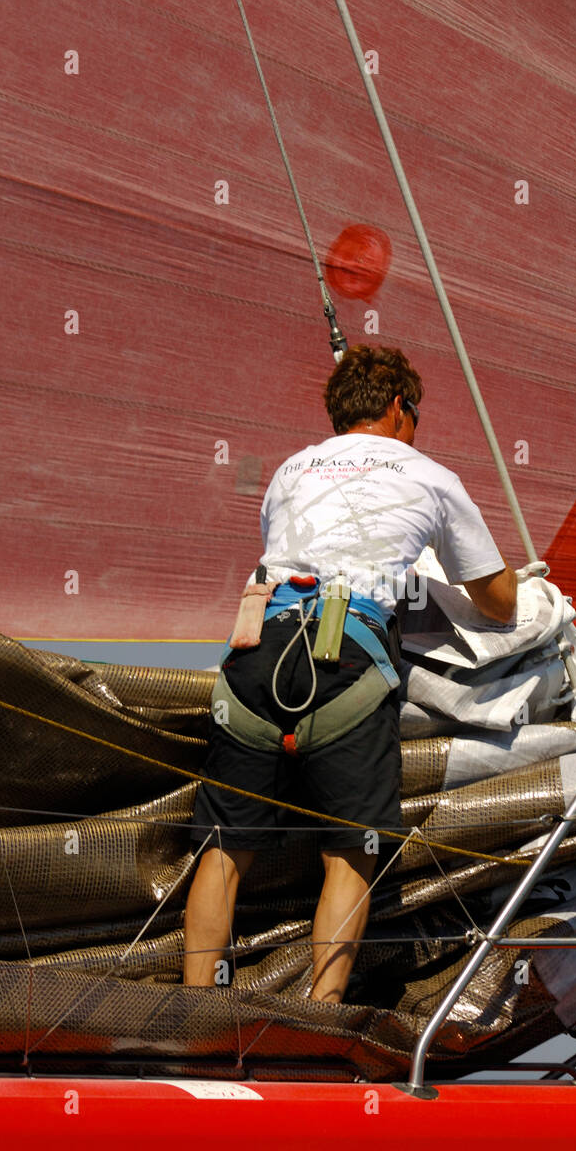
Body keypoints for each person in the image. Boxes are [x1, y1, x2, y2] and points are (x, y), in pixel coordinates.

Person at [183, 345, 517, 1002]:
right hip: (348, 663)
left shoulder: (288, 471)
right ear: (397, 407)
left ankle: (196, 1010)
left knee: (224, 848)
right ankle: (321, 1012)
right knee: (352, 849)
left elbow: (293, 551)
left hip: (254, 653)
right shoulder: (431, 476)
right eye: (414, 411)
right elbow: (499, 602)